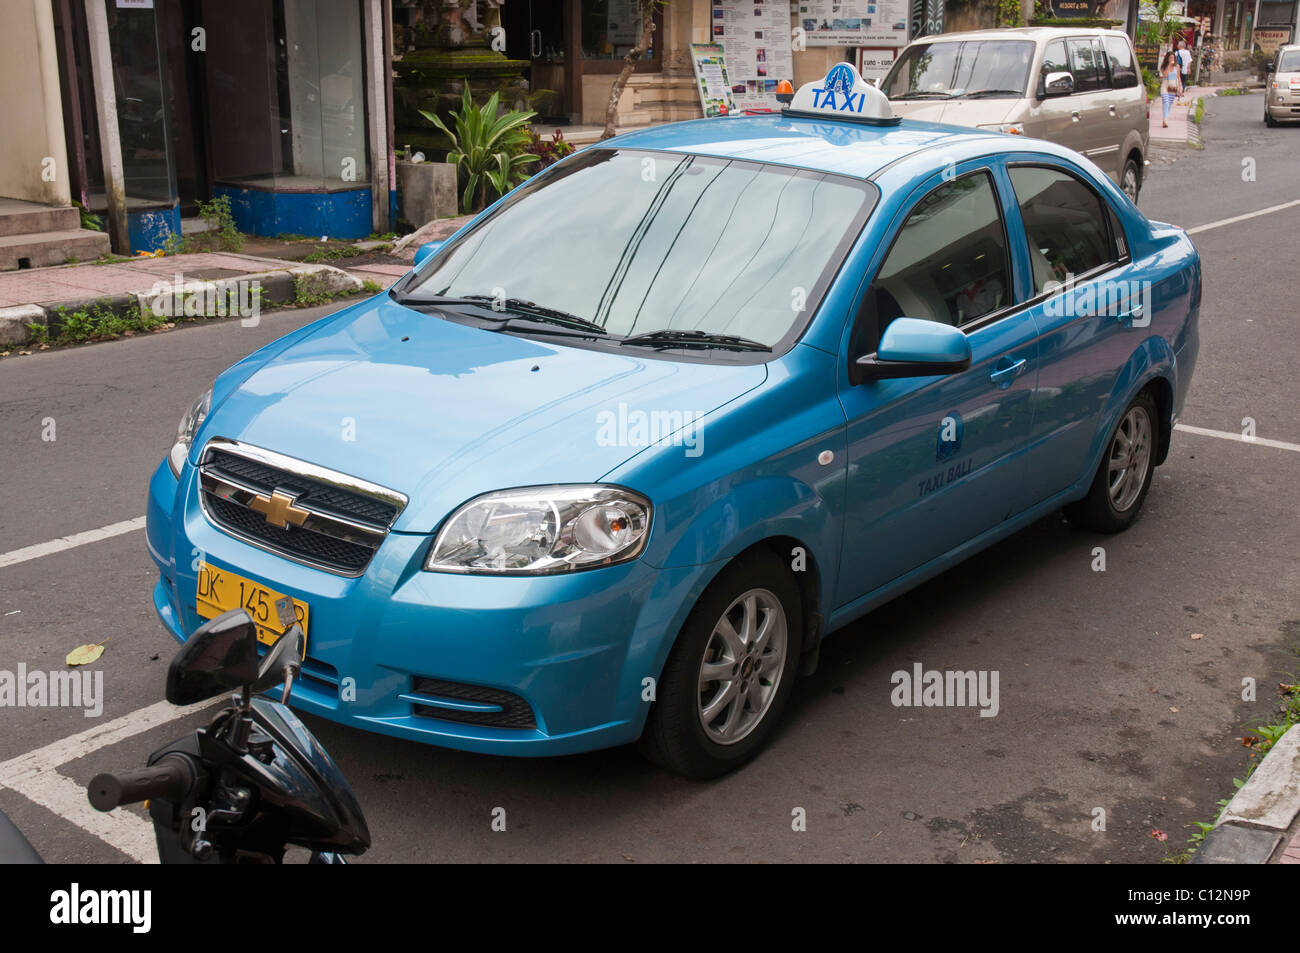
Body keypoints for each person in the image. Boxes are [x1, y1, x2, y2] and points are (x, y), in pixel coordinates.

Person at [1159, 51, 1182, 128]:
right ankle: (1165, 120)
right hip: (1165, 85)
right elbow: (1165, 74)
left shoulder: (1177, 66)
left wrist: (1180, 88)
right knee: (1166, 102)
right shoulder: (1163, 66)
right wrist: (1169, 65)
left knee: (1169, 105)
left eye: (1173, 57)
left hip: (1173, 86)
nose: (1172, 59)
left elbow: (1178, 77)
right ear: (1167, 58)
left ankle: (1165, 119)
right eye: (1170, 57)